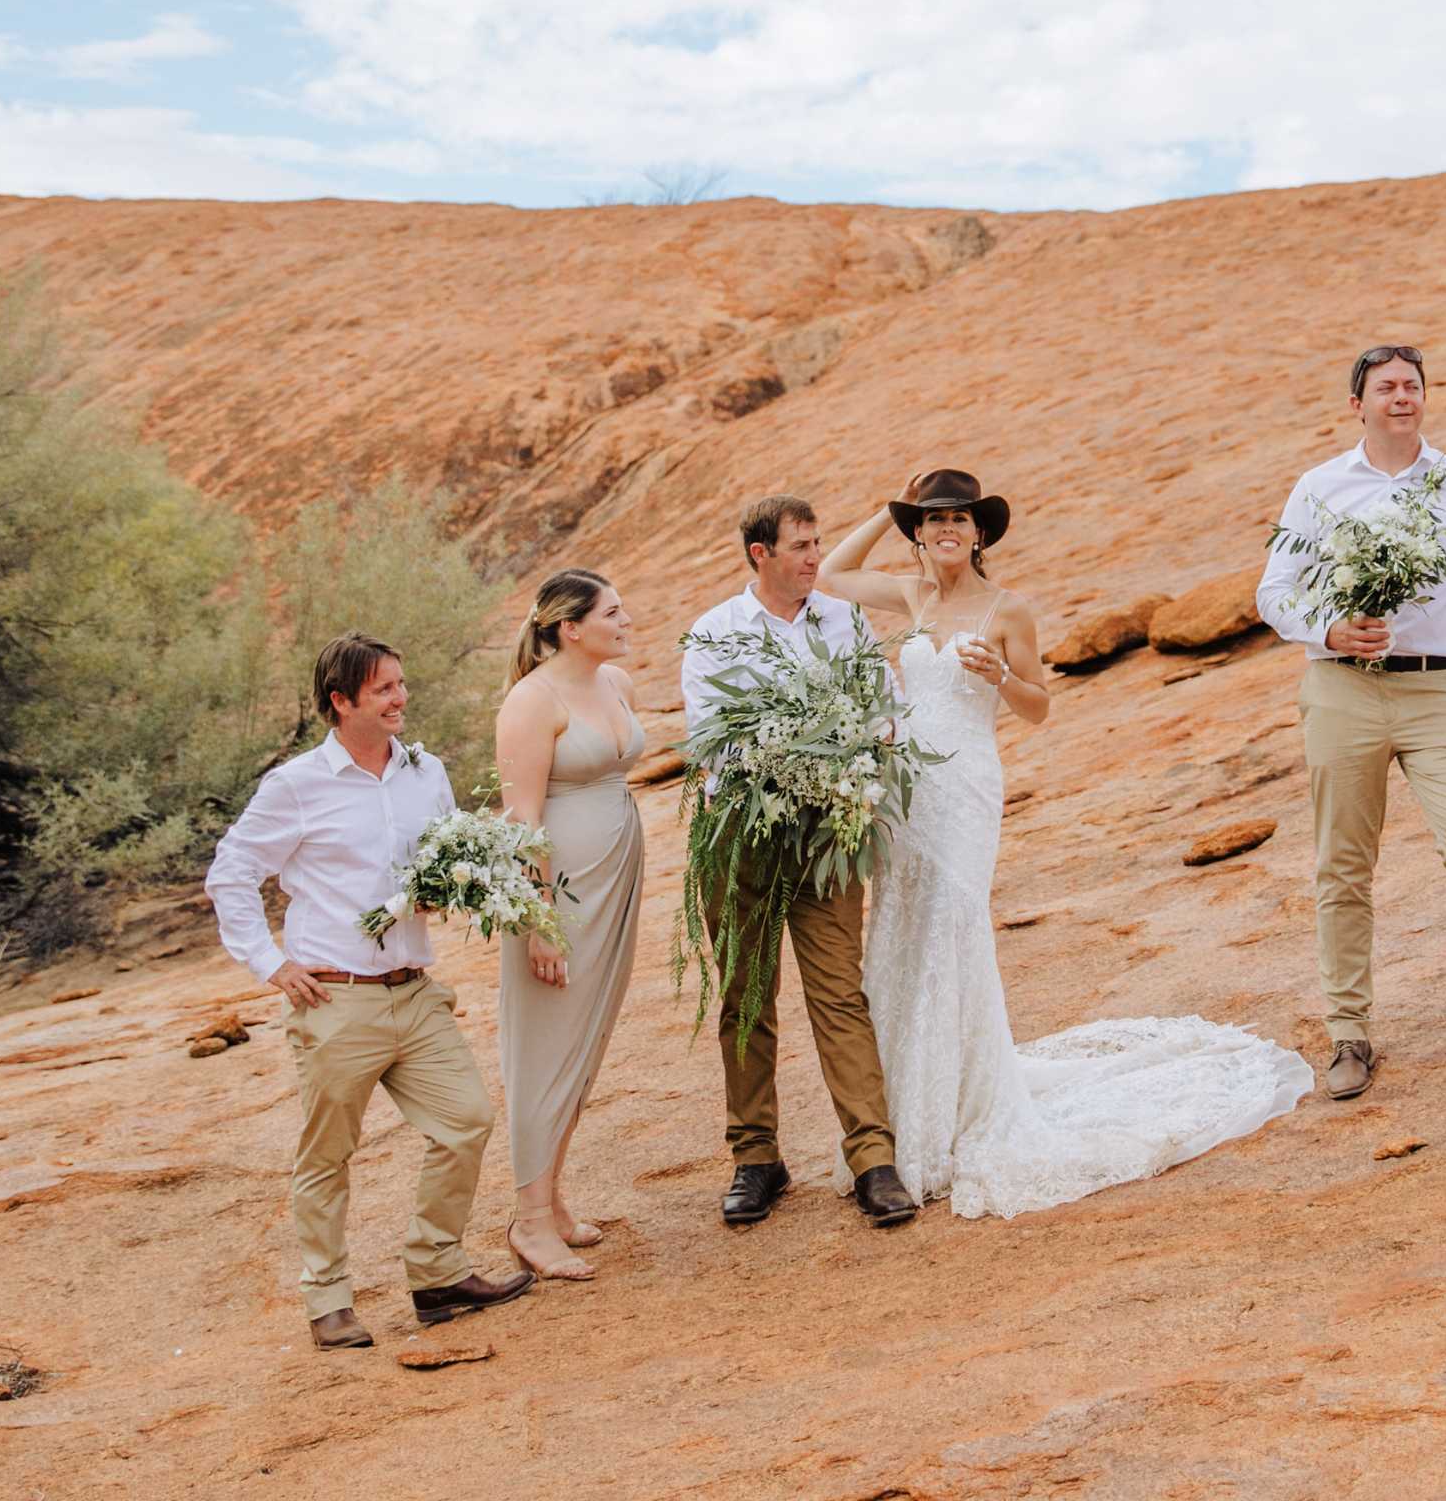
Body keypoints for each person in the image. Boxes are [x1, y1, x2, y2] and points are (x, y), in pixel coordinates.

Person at [817, 470, 1310, 1217]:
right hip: (905, 794)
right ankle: (897, 1121)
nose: (947, 530)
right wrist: (891, 513)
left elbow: (1038, 707)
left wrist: (1000, 678)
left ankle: (957, 1113)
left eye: (960, 520)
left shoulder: (1008, 609)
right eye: (934, 520)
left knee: (954, 928)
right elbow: (830, 574)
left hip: (966, 788)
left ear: (981, 533)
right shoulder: (913, 596)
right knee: (900, 931)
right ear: (920, 531)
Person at [203, 633, 533, 1349]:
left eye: (401, 685)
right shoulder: (294, 786)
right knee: (327, 1155)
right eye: (384, 689)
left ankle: (437, 1271)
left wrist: (448, 890)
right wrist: (270, 963)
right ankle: (328, 1302)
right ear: (340, 701)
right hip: (335, 1000)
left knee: (467, 1119)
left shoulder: (426, 771)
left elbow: (439, 857)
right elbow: (231, 871)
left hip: (415, 991)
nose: (401, 698)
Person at [1254, 344, 1446, 1099]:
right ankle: (1349, 1035)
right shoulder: (1320, 488)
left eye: (1412, 385)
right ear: (1357, 404)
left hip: (1438, 689)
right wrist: (1327, 631)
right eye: (1385, 387)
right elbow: (1274, 590)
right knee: (1343, 865)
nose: (1401, 396)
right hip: (1342, 689)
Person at [681, 494, 915, 1230]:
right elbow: (711, 743)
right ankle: (756, 1159)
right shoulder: (715, 633)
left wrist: (856, 759)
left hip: (828, 835)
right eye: (803, 546)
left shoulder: (843, 620)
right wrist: (790, 758)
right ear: (762, 555)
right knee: (745, 996)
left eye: (818, 544)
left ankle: (873, 1159)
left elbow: (888, 706)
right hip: (740, 835)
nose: (817, 557)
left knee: (839, 992)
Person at [493, 569, 646, 1279]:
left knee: (585, 1041)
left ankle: (551, 1201)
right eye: (612, 612)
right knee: (545, 1048)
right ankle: (528, 1221)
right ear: (569, 627)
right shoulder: (532, 700)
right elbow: (520, 820)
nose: (626, 620)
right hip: (560, 896)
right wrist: (538, 922)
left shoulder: (614, 685)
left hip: (614, 885)